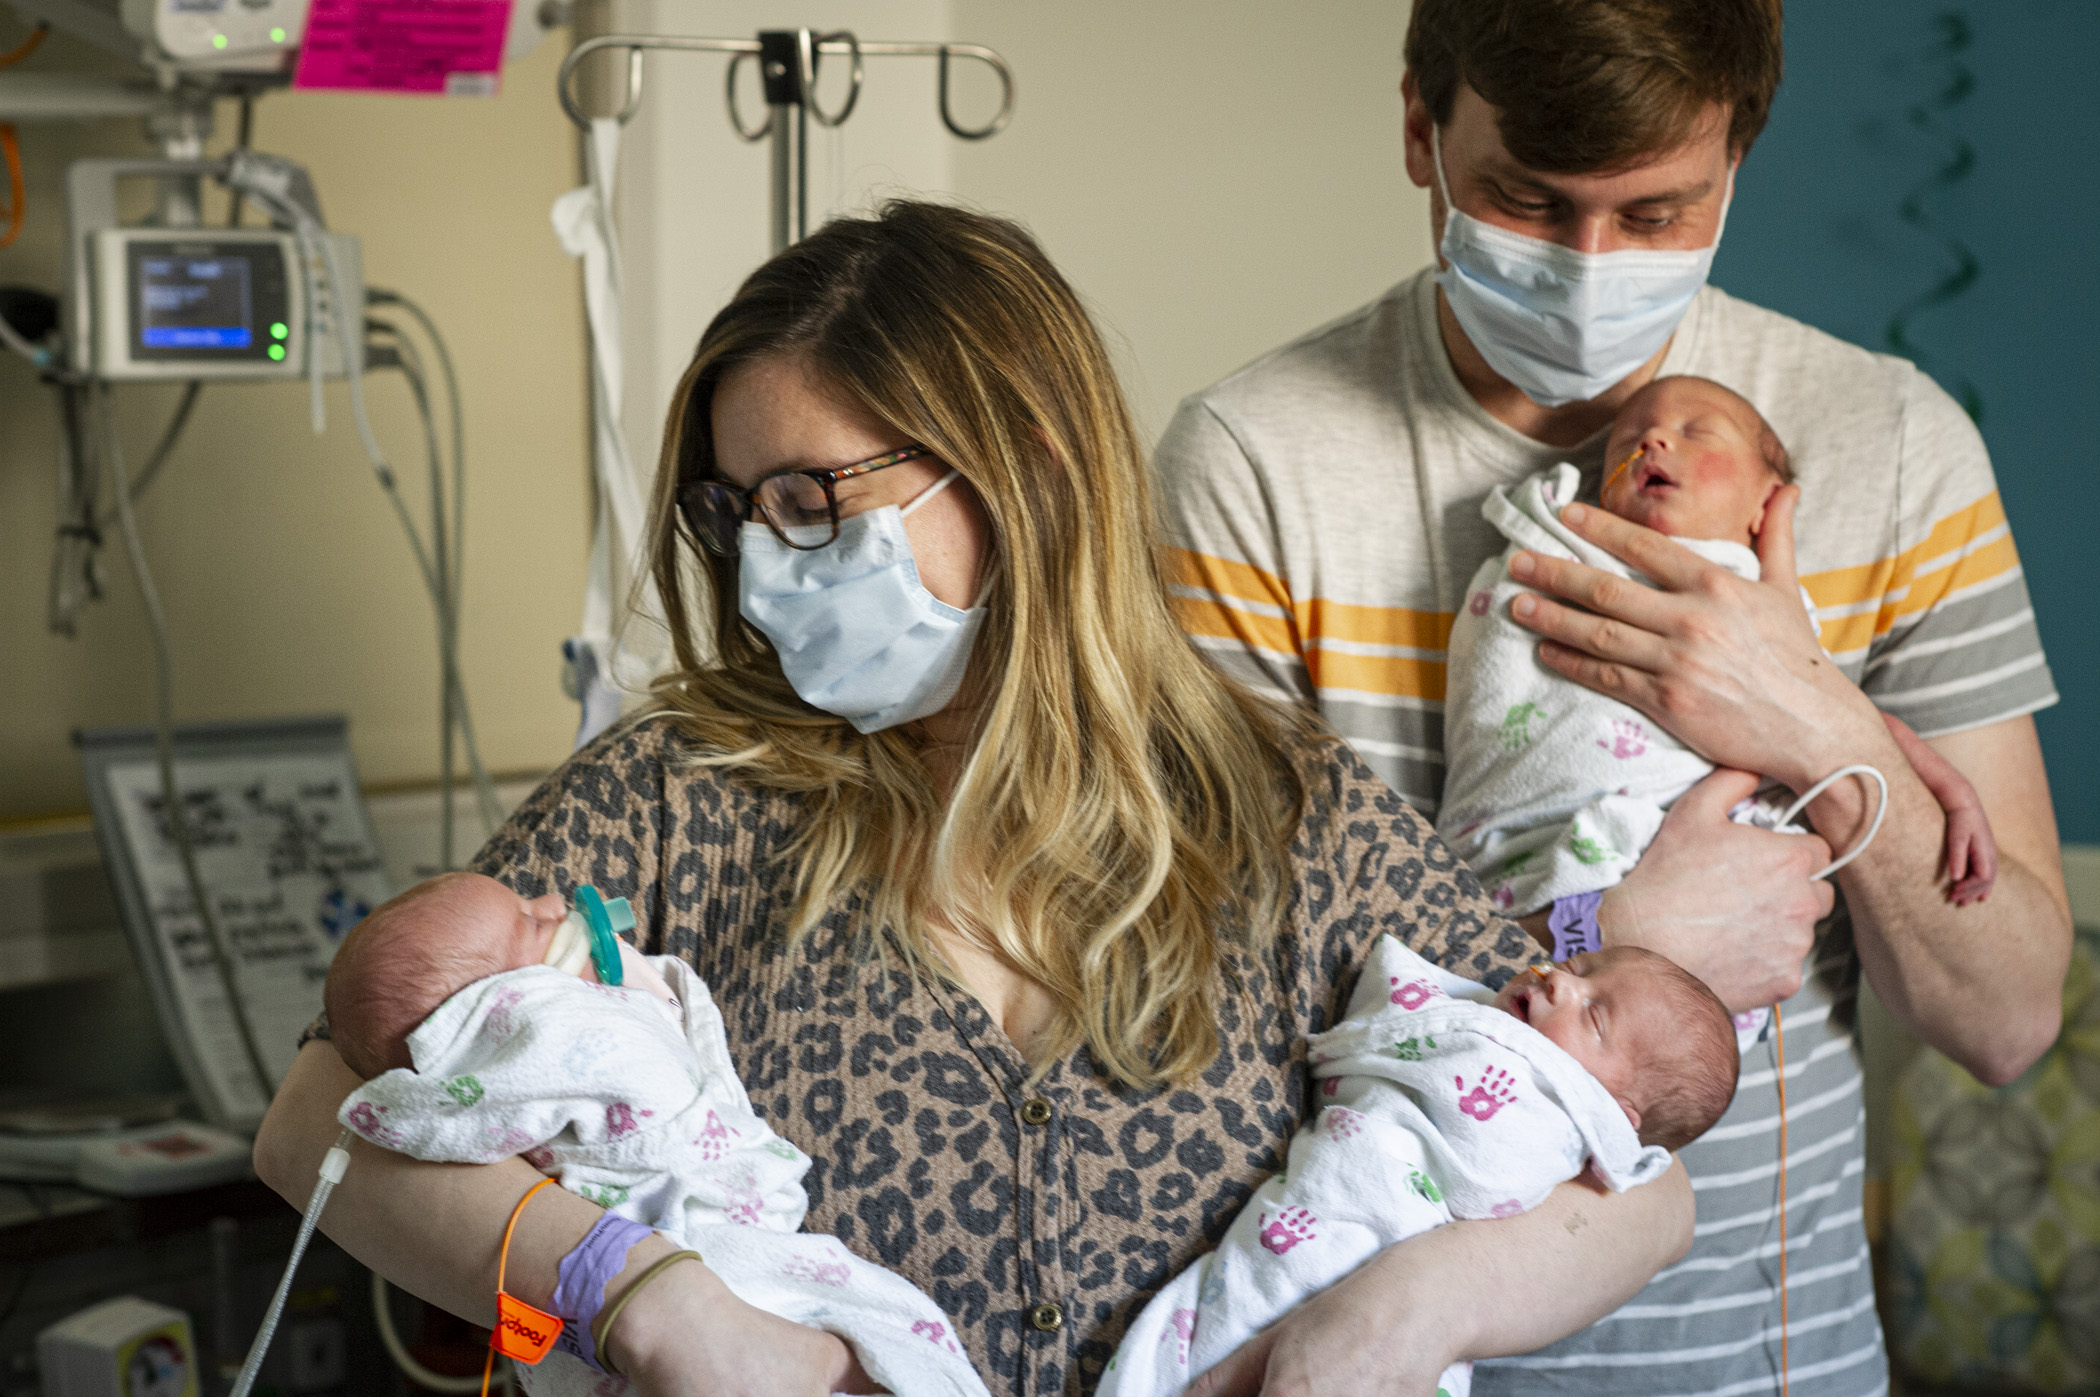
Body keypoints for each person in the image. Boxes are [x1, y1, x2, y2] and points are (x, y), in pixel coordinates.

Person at [253, 200, 1698, 1397]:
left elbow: (1634, 1170)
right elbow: (317, 1116)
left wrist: (1392, 1320)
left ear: (1027, 469)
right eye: (736, 510)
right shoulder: (675, 795)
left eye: (816, 501)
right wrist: (643, 1298)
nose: (764, 569)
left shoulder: (1277, 809)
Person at [1152, 3, 2072, 1393]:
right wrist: (1612, 928)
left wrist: (1807, 719)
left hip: (1767, 1359)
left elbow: (2005, 1018)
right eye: (1528, 200)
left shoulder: (1889, 445)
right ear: (1422, 130)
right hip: (1364, 1338)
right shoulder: (1250, 468)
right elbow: (1193, 1002)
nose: (1590, 268)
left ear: (1736, 165)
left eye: (1656, 213)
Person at [324, 872, 990, 1397]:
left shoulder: (552, 997)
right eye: (531, 919)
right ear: (494, 1010)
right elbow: (430, 1108)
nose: (555, 900)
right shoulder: (548, 1033)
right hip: (700, 1255)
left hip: (736, 1264)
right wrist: (662, 1308)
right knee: (887, 1331)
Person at [1441, 376, 1999, 922]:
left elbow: (1842, 717)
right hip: (1529, 854)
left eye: (1698, 432)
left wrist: (1949, 789)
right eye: (1627, 440)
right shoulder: (1565, 554)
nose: (1652, 441)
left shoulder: (1765, 604)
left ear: (1765, 504)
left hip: (1696, 879)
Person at [1100, 940, 1735, 1397]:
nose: (1556, 981)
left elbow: (1657, 1198)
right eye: (1573, 965)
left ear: (1615, 1117)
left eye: (1593, 1013)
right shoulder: (1489, 1010)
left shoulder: (1562, 1127)